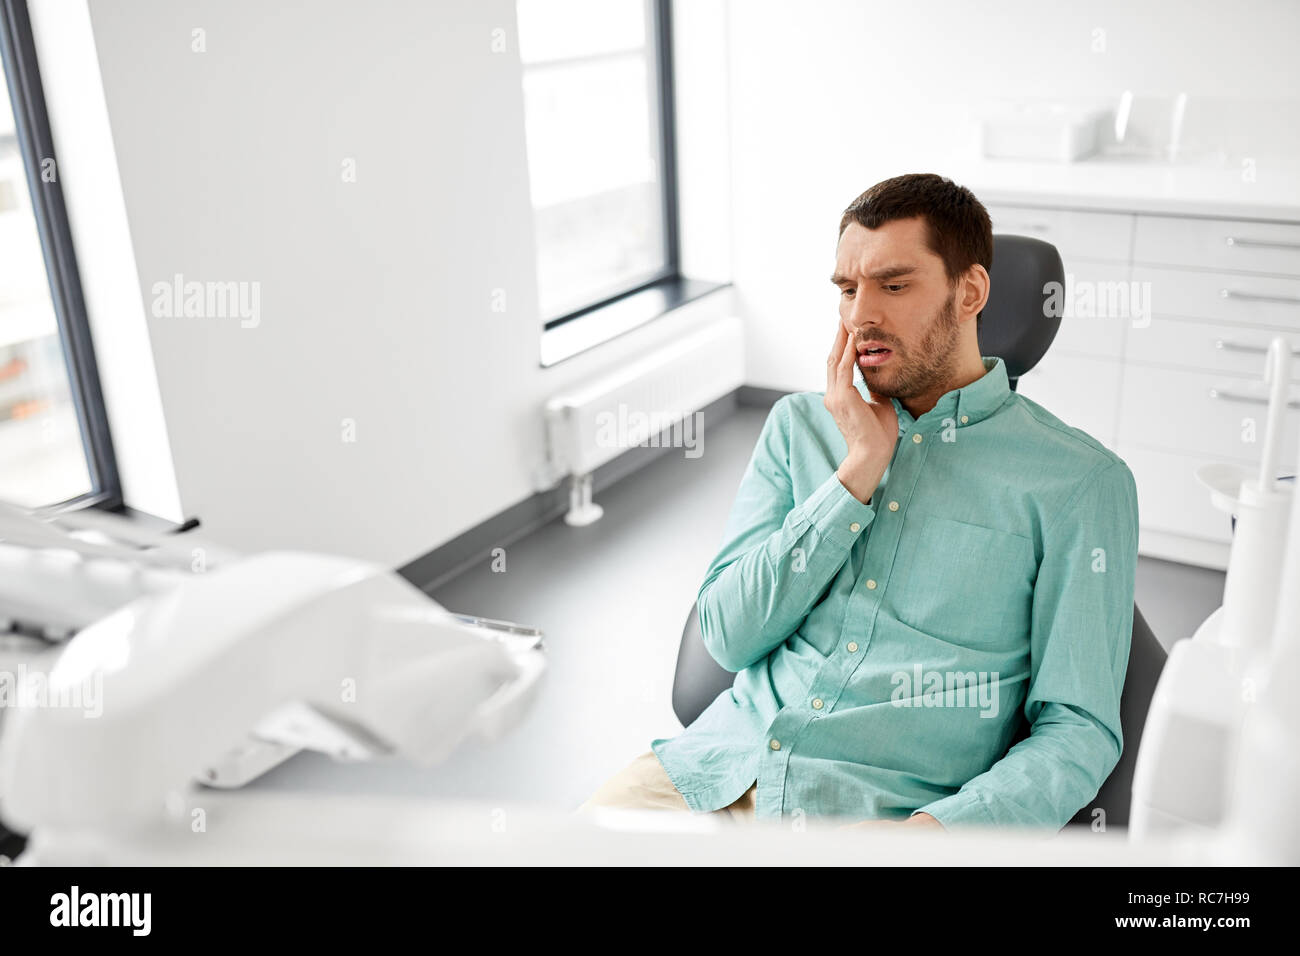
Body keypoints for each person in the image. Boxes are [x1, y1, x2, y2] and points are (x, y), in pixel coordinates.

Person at [577, 173, 1139, 831]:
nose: (859, 315)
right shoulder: (798, 427)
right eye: (847, 289)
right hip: (713, 776)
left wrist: (937, 835)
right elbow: (726, 636)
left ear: (971, 292)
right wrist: (855, 475)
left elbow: (1078, 729)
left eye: (893, 285)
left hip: (880, 822)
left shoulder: (1079, 483)